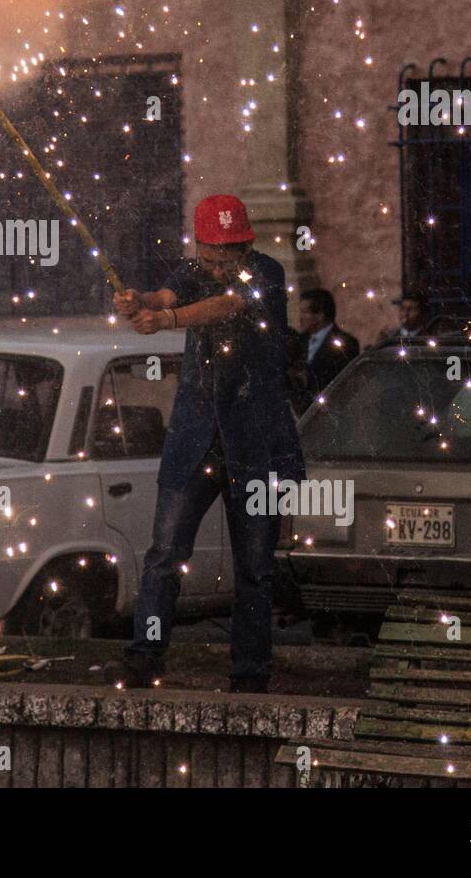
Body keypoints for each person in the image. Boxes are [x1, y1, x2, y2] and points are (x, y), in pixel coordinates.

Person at [105, 194, 305, 693]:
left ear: (247, 246)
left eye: (229, 258)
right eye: (211, 257)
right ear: (199, 247)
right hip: (195, 438)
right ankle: (145, 658)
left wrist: (166, 321)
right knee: (164, 554)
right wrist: (139, 302)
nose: (219, 268)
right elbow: (166, 296)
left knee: (256, 568)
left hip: (255, 443)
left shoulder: (267, 274)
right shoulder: (193, 271)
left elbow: (227, 306)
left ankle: (250, 674)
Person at [288, 288, 359, 414]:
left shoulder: (346, 344)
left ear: (320, 315)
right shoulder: (300, 341)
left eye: (305, 312)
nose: (301, 318)